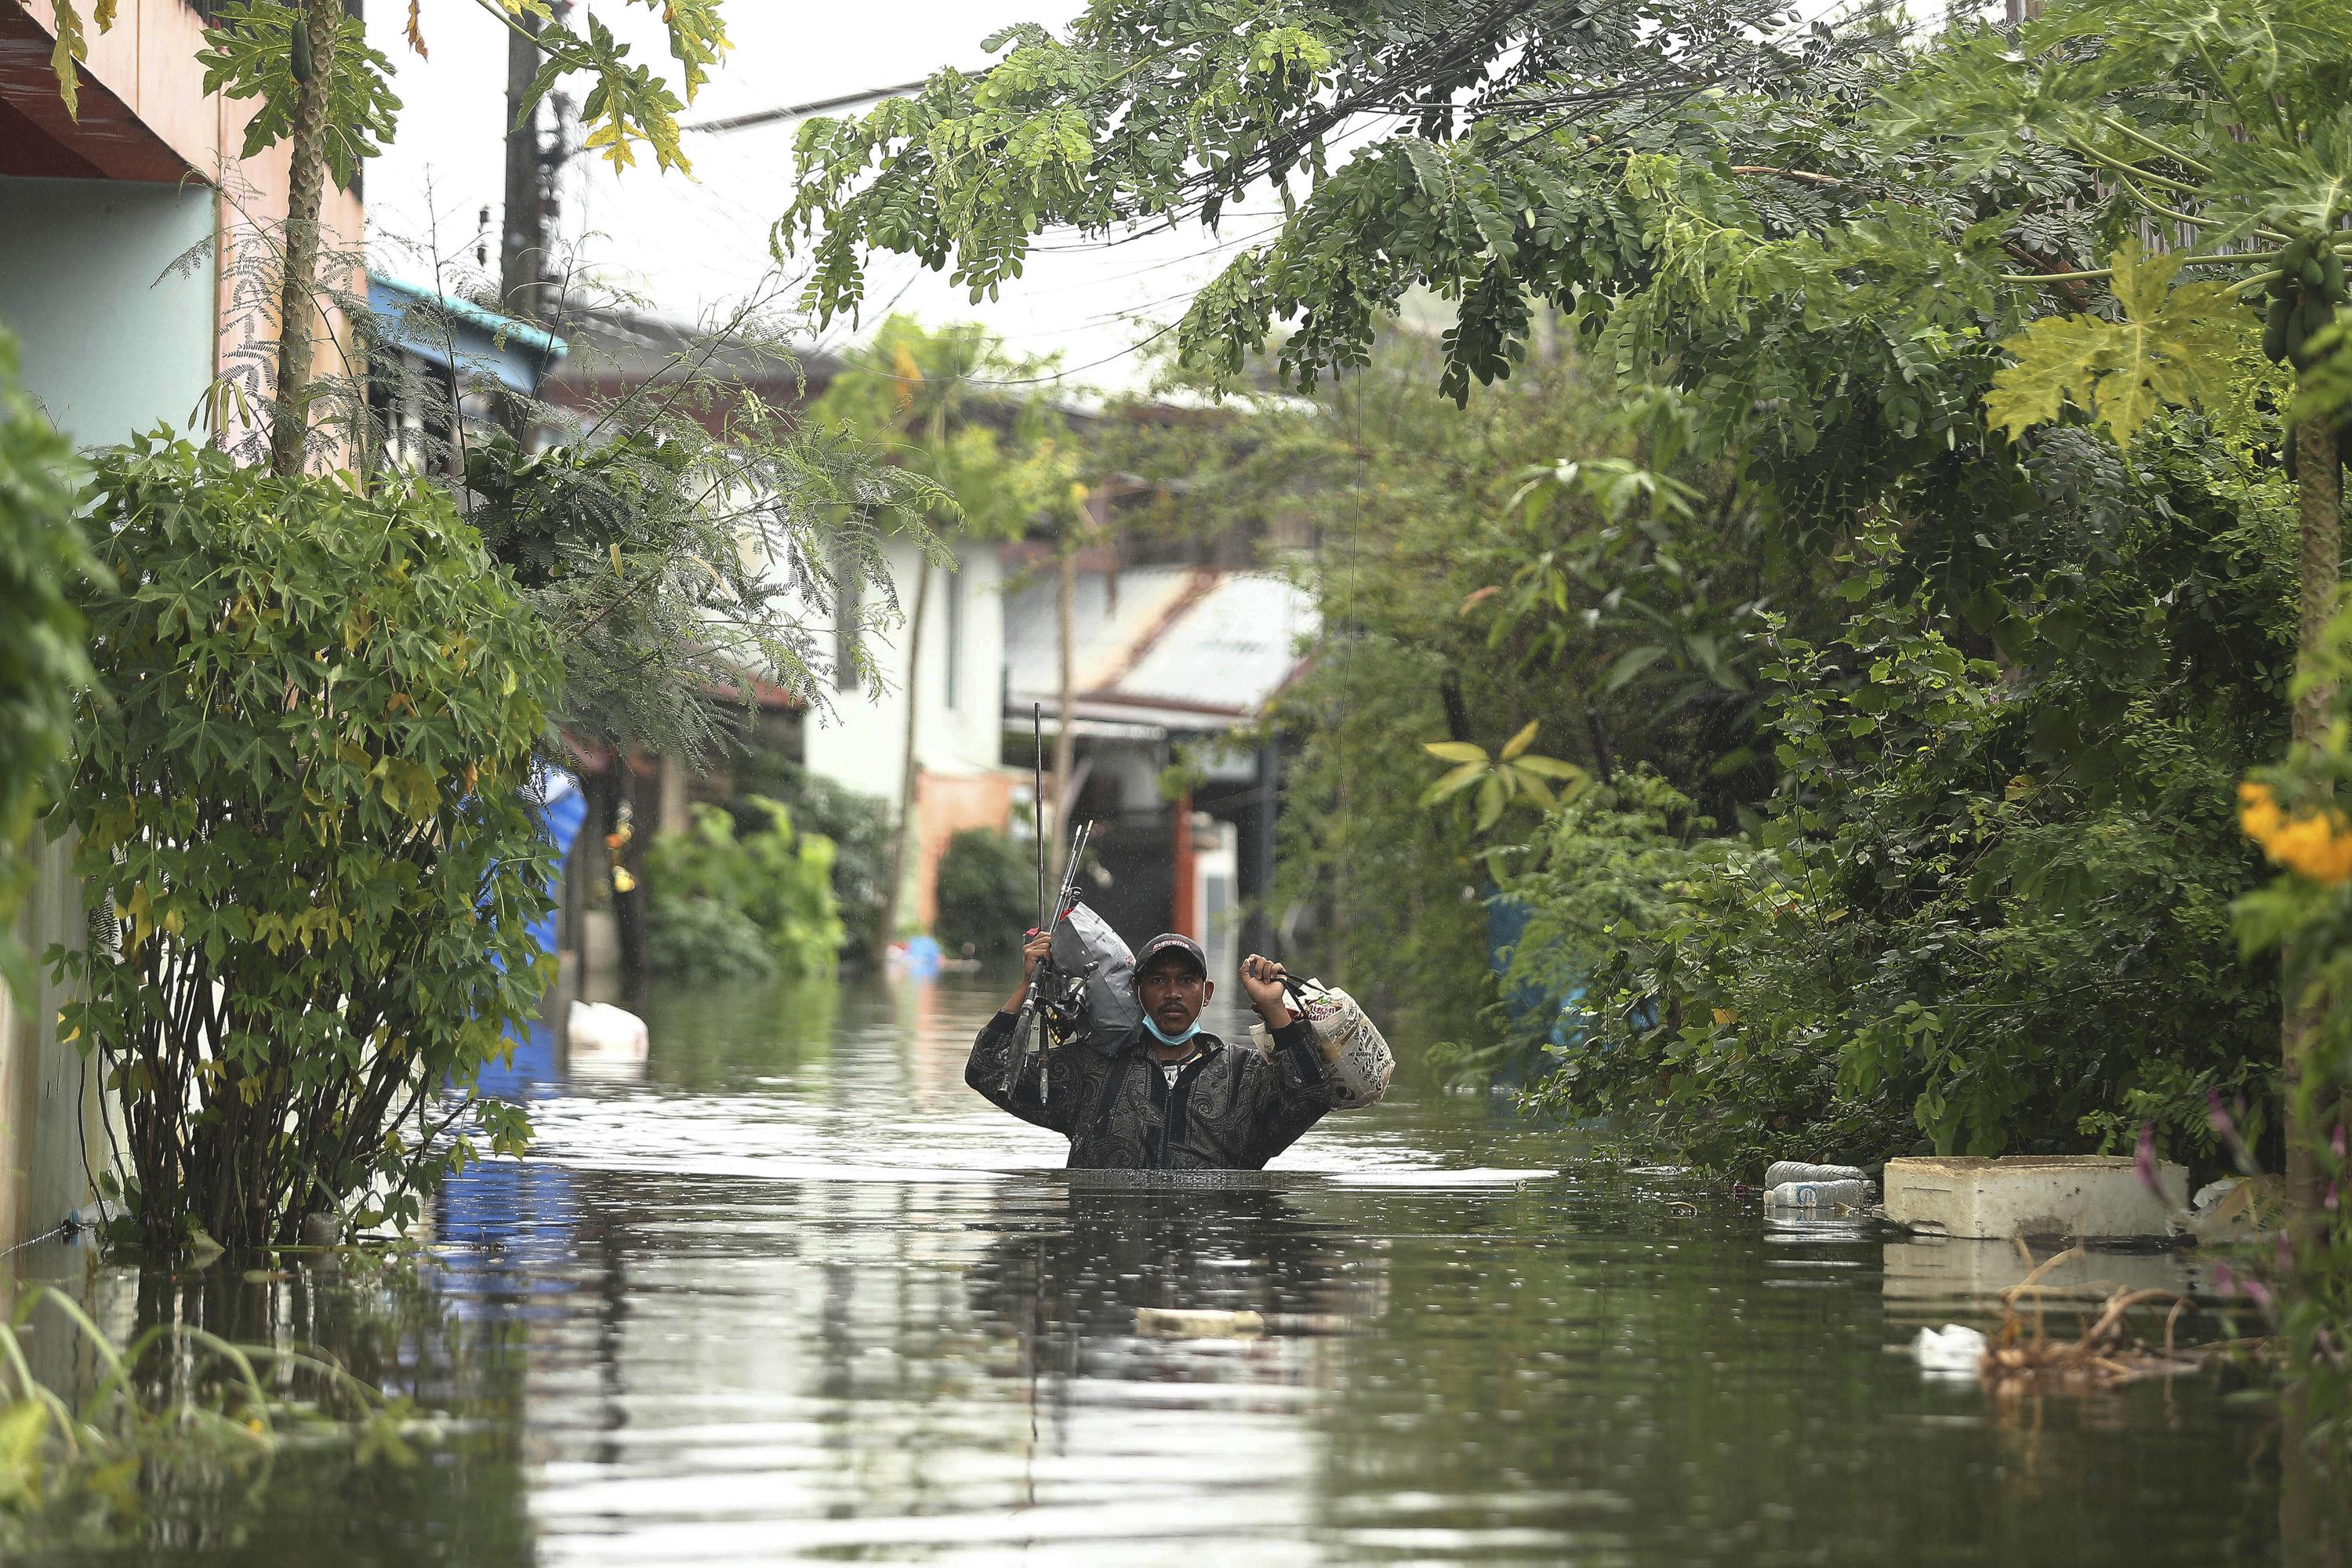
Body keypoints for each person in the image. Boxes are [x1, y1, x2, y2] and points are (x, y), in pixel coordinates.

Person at [964, 930, 1333, 1170]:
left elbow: (1312, 1096)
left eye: (1186, 981)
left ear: (1207, 994)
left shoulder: (1243, 1075)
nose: (1173, 993)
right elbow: (988, 1071)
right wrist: (1028, 983)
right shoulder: (1092, 1067)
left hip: (1207, 1268)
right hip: (1107, 1273)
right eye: (1159, 980)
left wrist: (1274, 1010)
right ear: (1137, 991)